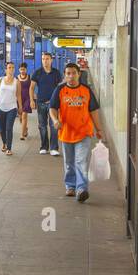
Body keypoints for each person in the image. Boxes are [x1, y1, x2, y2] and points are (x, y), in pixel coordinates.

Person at [49, 62, 105, 203]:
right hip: (66, 133)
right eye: (68, 73)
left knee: (80, 161)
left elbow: (94, 111)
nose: (71, 76)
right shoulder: (60, 90)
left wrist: (99, 129)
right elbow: (53, 108)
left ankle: (81, 189)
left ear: (79, 74)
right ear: (65, 75)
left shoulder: (86, 90)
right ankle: (70, 186)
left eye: (74, 73)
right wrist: (55, 120)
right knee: (69, 162)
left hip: (84, 132)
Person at [30, 52, 63, 156]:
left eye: (47, 59)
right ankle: (44, 147)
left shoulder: (56, 73)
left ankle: (54, 148)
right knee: (42, 126)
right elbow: (31, 87)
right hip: (41, 103)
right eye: (43, 59)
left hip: (53, 104)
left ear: (51, 60)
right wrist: (32, 100)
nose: (45, 61)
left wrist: (59, 101)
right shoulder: (37, 73)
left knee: (53, 125)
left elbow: (60, 88)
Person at [0, 63, 22, 155]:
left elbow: (19, 96)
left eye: (13, 67)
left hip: (12, 108)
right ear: (6, 70)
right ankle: (4, 143)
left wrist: (20, 107)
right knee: (2, 128)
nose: (11, 69)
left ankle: (9, 148)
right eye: (9, 68)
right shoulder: (0, 80)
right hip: (0, 107)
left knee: (9, 128)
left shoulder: (17, 82)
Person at [17, 62, 32, 141]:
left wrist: (33, 98)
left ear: (26, 69)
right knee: (20, 117)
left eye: (24, 69)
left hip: (27, 98)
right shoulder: (16, 78)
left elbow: (32, 87)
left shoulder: (30, 77)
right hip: (19, 99)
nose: (22, 71)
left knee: (24, 115)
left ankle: (22, 134)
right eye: (21, 69)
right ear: (19, 69)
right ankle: (25, 128)